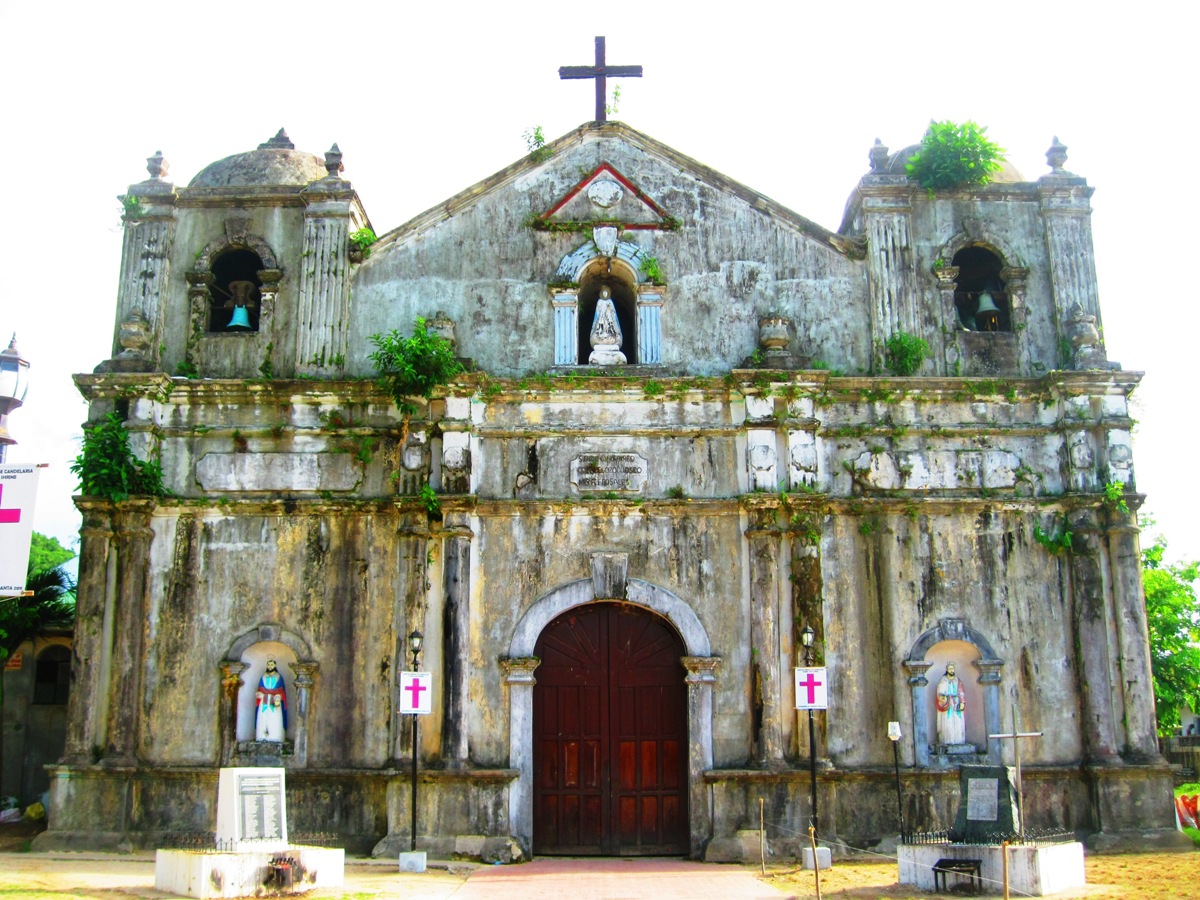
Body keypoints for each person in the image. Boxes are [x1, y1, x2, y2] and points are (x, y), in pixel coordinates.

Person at [255, 659, 287, 742]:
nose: (270, 666)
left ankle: (276, 736)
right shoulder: (263, 677)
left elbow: (281, 690)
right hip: (264, 702)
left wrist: (278, 696)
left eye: (271, 665)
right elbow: (260, 689)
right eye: (268, 665)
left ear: (275, 666)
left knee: (275, 719)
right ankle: (261, 736)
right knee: (263, 718)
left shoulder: (278, 677)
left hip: (275, 702)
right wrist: (259, 694)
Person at [935, 663, 966, 745]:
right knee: (948, 722)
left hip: (956, 704)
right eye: (950, 669)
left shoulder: (958, 681)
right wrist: (944, 697)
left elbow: (961, 692)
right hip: (947, 705)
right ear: (947, 670)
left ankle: (959, 740)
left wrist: (962, 702)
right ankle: (947, 740)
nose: (951, 670)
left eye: (952, 669)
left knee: (958, 722)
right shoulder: (943, 681)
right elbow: (940, 692)